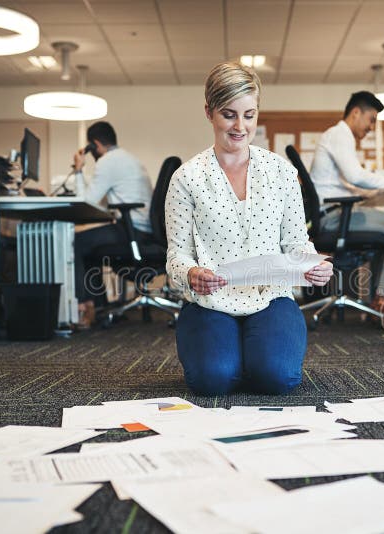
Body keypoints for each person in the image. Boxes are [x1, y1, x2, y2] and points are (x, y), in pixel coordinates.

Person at [165, 61, 333, 396]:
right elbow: (176, 255)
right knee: (212, 380)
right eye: (229, 114)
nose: (240, 126)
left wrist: (311, 264)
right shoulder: (187, 178)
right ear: (209, 112)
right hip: (210, 300)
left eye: (250, 114)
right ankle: (234, 353)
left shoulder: (281, 172)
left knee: (279, 377)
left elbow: (297, 242)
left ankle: (251, 354)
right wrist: (192, 272)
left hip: (270, 297)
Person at [309, 91, 384, 311]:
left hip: (331, 215)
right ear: (355, 112)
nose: (371, 127)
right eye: (371, 119)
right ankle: (383, 300)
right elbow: (355, 176)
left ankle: (378, 301)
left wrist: (370, 194)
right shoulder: (339, 134)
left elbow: (346, 184)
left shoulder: (337, 137)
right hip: (334, 218)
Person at [71, 121, 153, 328]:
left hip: (131, 230)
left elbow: (87, 201)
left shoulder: (107, 161)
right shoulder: (130, 159)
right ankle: (99, 306)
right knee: (90, 248)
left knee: (77, 242)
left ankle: (84, 307)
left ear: (95, 145)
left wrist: (79, 170)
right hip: (144, 231)